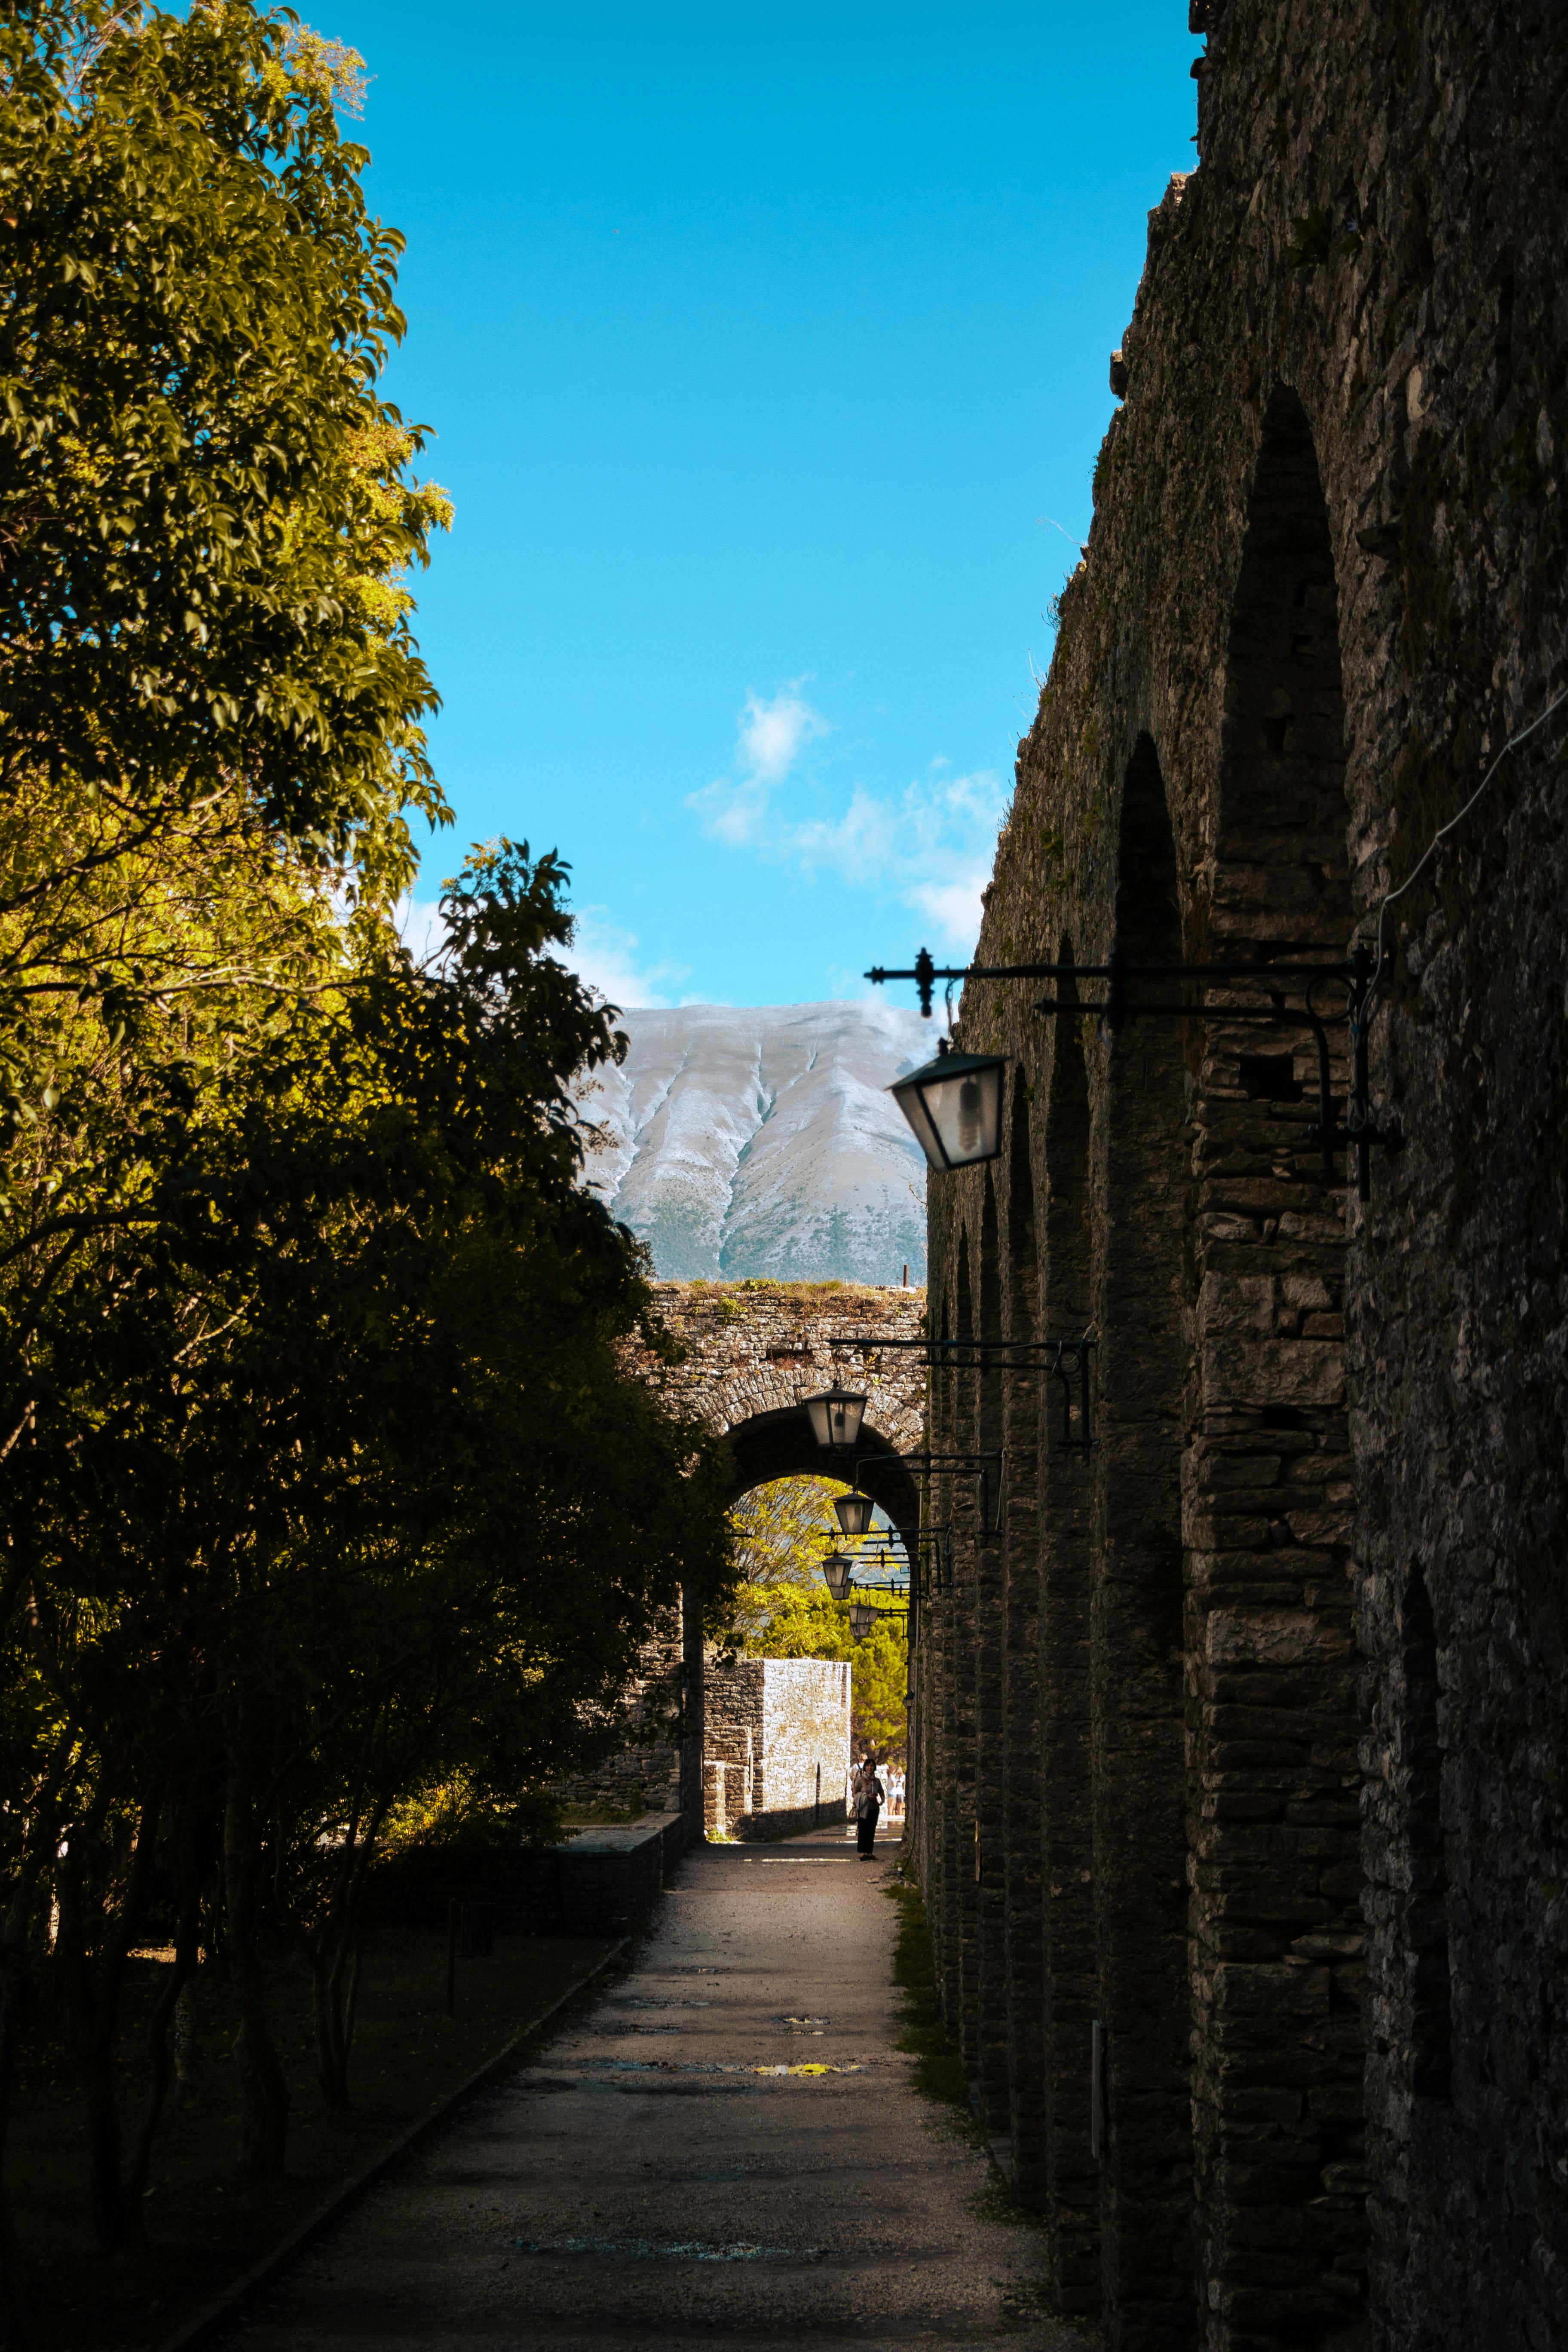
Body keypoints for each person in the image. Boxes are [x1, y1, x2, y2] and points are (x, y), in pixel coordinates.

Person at [852, 1752, 885, 1858]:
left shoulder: (877, 1781)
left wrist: (882, 1801)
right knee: (863, 1830)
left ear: (874, 1768)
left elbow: (881, 1792)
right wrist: (867, 1797)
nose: (870, 1768)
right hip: (863, 1809)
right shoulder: (860, 1780)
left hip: (874, 1809)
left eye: (872, 1766)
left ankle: (870, 1853)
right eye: (868, 1766)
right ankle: (862, 1854)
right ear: (865, 1768)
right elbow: (855, 1794)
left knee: (872, 1831)